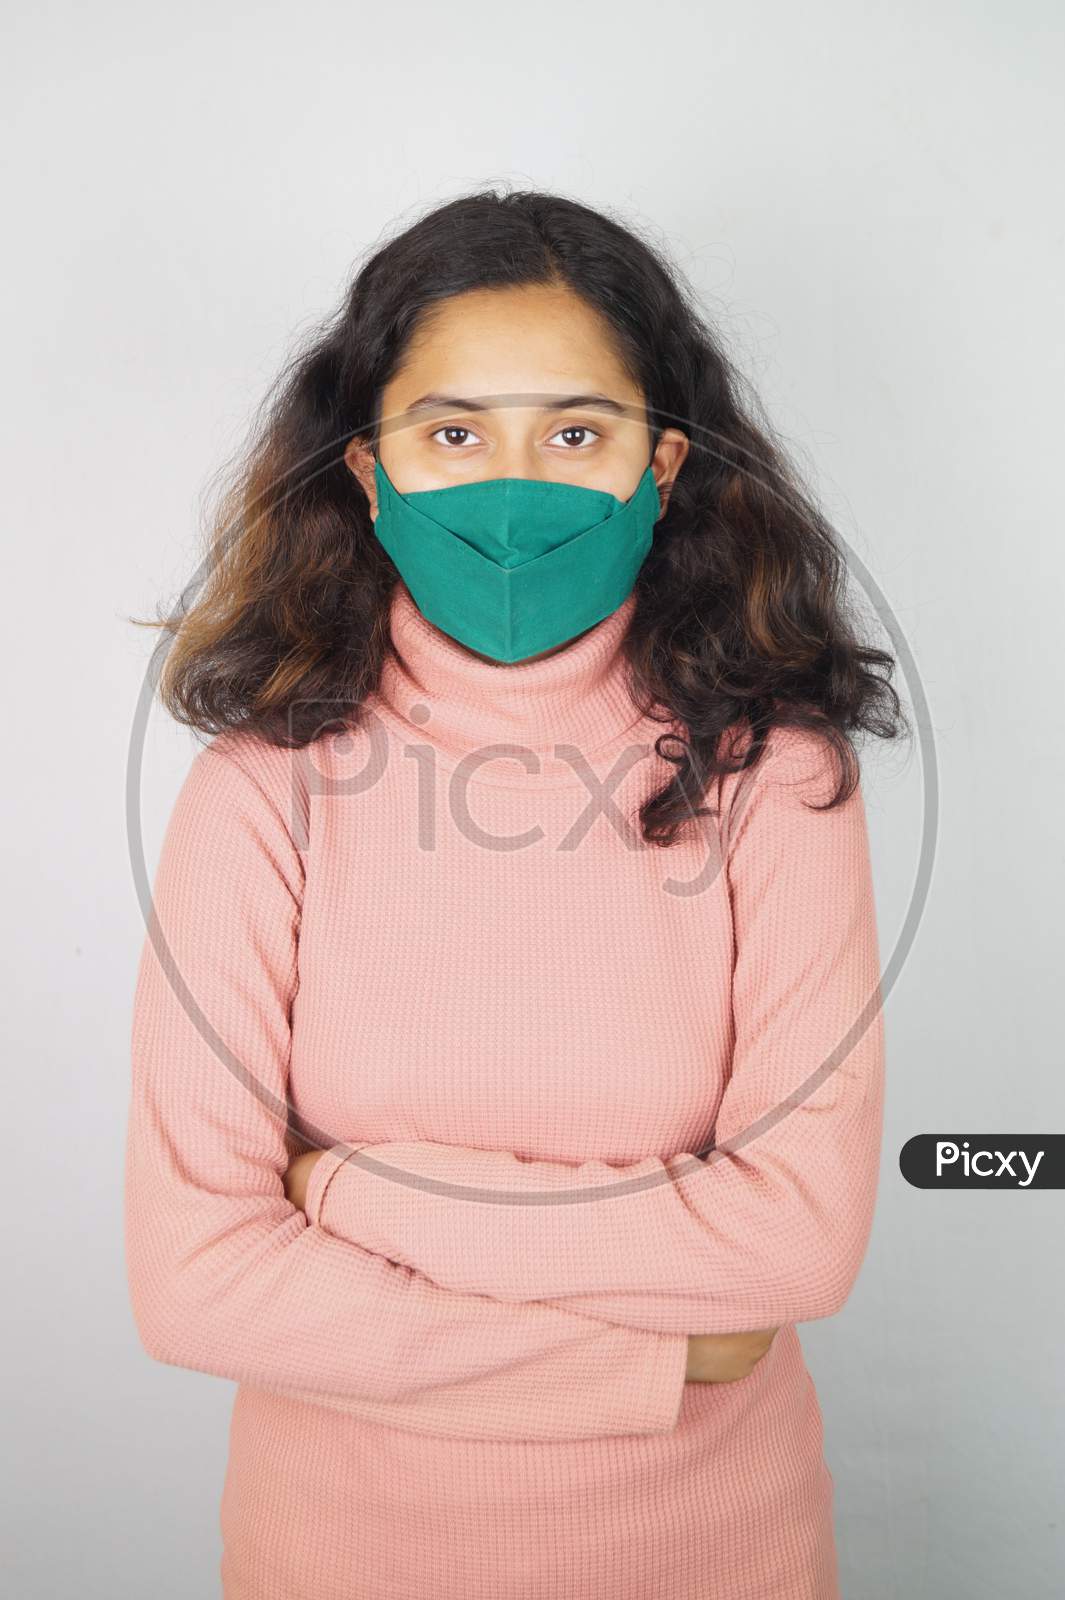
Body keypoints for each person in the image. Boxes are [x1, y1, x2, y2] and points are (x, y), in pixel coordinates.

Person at [125, 186, 906, 1599]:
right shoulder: (259, 791)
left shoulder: (775, 781)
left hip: (714, 1556)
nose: (511, 483)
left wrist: (353, 1192)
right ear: (367, 471)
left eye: (573, 431)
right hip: (337, 1557)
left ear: (661, 463)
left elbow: (791, 1245)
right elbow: (194, 1278)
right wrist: (644, 1356)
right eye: (452, 433)